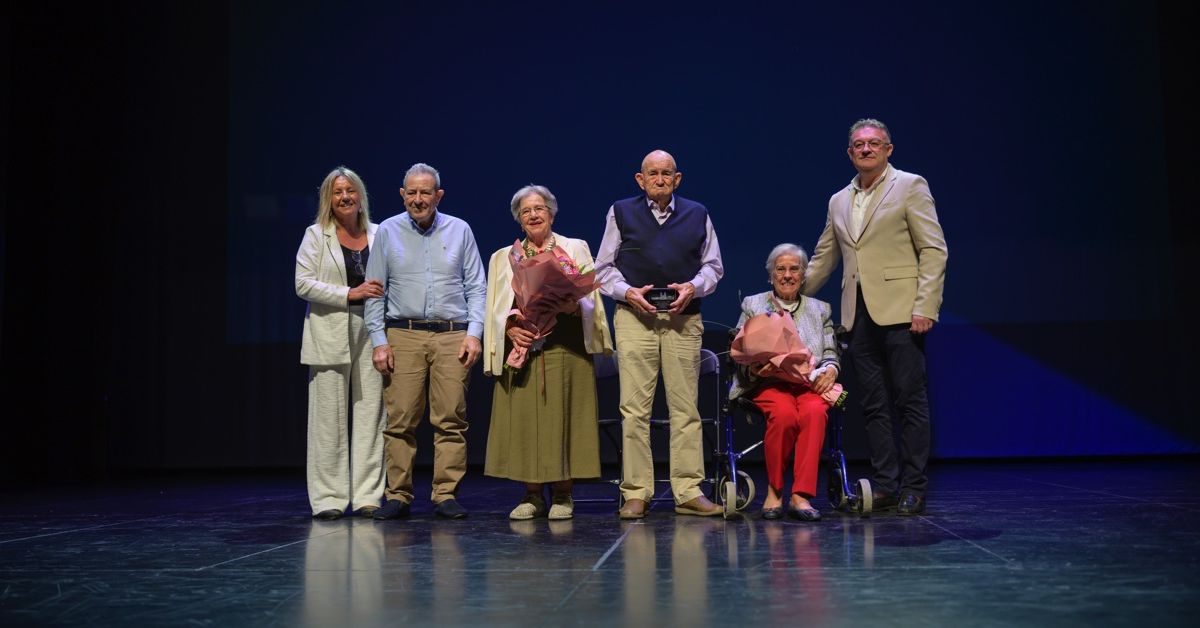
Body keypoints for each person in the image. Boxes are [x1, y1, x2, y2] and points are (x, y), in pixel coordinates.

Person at [803, 118, 948, 515]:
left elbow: (934, 249)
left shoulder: (910, 186)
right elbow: (824, 257)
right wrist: (787, 299)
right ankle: (885, 483)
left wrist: (925, 305)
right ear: (850, 153)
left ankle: (914, 486)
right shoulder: (838, 199)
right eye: (858, 145)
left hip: (903, 311)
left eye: (874, 143)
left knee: (909, 400)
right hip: (857, 313)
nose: (866, 149)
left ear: (888, 149)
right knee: (873, 404)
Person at [595, 149, 725, 519]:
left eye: (667, 173)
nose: (660, 179)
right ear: (640, 179)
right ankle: (636, 491)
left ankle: (687, 490)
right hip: (635, 319)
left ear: (677, 178)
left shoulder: (698, 213)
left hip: (684, 319)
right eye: (652, 173)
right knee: (634, 409)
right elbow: (604, 268)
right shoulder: (620, 211)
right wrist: (628, 293)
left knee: (685, 408)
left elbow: (714, 267)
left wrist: (693, 288)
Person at [483, 185, 614, 520]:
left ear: (551, 213)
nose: (533, 215)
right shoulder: (504, 257)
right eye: (526, 211)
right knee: (526, 421)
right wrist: (509, 327)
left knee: (566, 415)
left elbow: (591, 296)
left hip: (565, 342)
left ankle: (562, 495)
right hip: (524, 345)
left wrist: (571, 303)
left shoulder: (574, 247)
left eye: (539, 208)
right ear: (518, 219)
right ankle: (531, 496)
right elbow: (494, 307)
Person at [365, 163, 487, 520]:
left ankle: (445, 494)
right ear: (403, 194)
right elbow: (375, 291)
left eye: (425, 192)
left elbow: (476, 286)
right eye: (412, 193)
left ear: (438, 195)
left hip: (452, 334)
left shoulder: (459, 229)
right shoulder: (388, 231)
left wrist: (474, 334)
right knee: (400, 419)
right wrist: (378, 340)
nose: (418, 199)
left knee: (450, 418)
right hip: (403, 333)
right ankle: (398, 495)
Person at [294, 166, 386, 520]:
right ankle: (329, 498)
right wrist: (350, 292)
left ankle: (367, 496)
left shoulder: (380, 234)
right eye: (337, 191)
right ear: (328, 200)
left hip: (373, 329)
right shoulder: (317, 235)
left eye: (350, 190)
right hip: (330, 329)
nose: (344, 196)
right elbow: (303, 283)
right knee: (328, 419)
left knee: (372, 413)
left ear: (360, 195)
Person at [729, 244, 839, 521]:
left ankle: (801, 496)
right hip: (768, 383)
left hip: (807, 385)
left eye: (794, 269)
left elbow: (829, 352)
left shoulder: (820, 309)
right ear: (771, 275)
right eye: (781, 269)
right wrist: (755, 367)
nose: (787, 275)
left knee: (814, 413)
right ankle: (775, 491)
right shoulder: (753, 305)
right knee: (784, 415)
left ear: (803, 275)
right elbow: (738, 350)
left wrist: (831, 371)